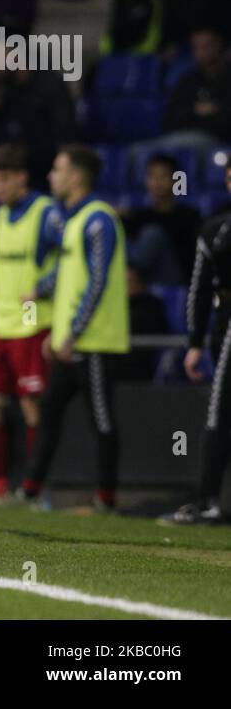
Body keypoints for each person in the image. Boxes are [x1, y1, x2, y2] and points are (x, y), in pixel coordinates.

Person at [21, 146, 130, 513]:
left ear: (76, 177)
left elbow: (97, 283)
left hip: (93, 341)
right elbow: (70, 272)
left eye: (57, 169)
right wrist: (41, 290)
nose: (51, 176)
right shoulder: (75, 220)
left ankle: (107, 498)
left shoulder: (99, 220)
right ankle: (31, 490)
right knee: (50, 412)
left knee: (101, 417)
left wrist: (73, 335)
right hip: (70, 341)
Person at [0, 144, 60, 508]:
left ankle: (35, 491)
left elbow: (69, 259)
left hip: (33, 323)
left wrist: (44, 287)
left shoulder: (46, 213)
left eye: (3, 181)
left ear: (21, 177)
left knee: (32, 406)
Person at [162, 161, 231, 524]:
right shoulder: (216, 230)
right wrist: (195, 342)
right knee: (220, 412)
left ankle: (207, 501)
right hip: (225, 326)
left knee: (220, 412)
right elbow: (200, 290)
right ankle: (208, 500)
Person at [121, 152, 202, 286]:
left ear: (176, 180)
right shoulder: (141, 216)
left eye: (163, 176)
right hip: (144, 278)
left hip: (175, 277)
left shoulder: (189, 216)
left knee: (152, 234)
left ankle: (129, 273)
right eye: (152, 176)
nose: (157, 182)